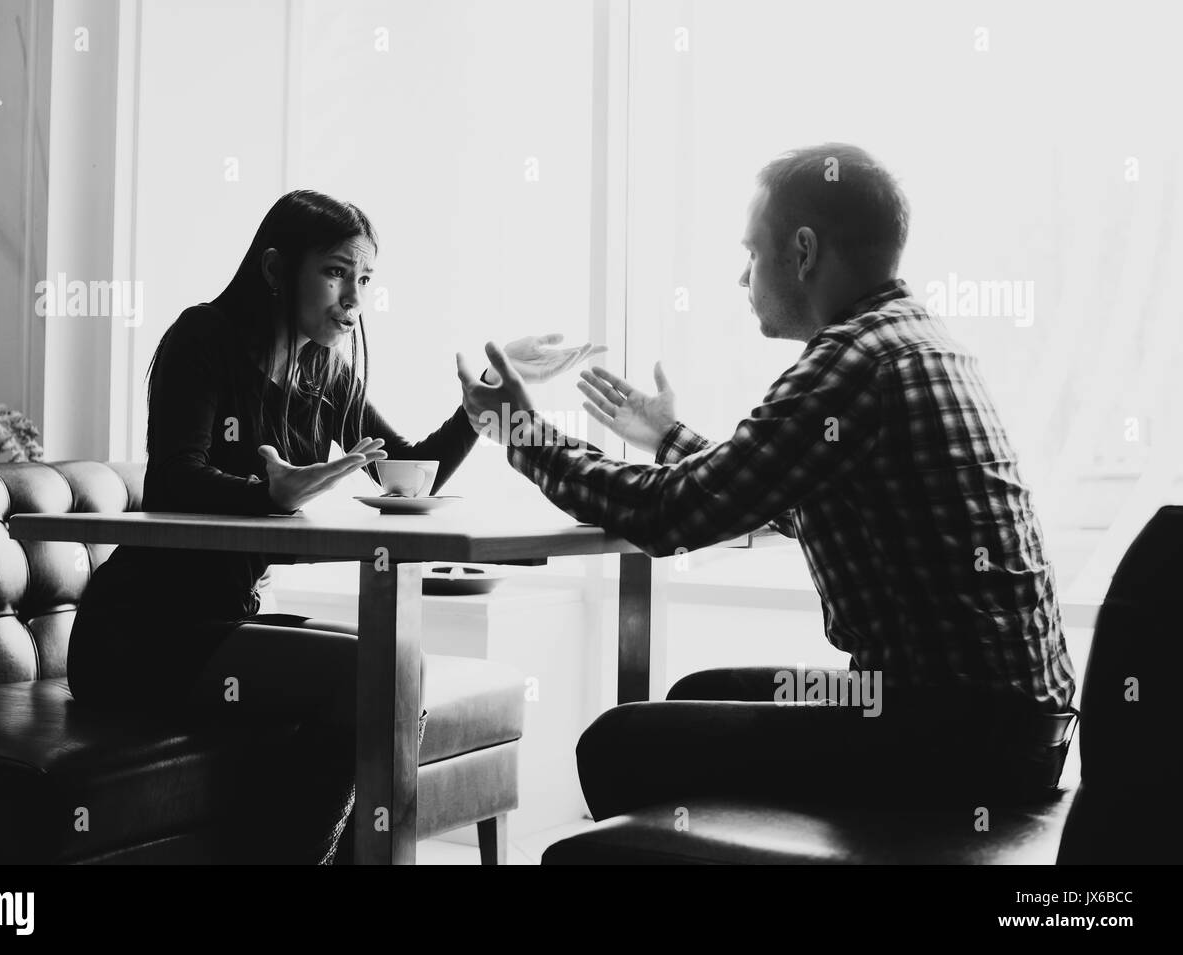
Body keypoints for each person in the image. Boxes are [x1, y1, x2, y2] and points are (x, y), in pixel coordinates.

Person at [457, 144, 1079, 820]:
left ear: (803, 251)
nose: (742, 274)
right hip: (1011, 726)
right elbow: (790, 496)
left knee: (617, 743)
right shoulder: (919, 340)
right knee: (697, 691)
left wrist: (524, 433)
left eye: (751, 253)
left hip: (941, 733)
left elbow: (672, 515)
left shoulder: (850, 363)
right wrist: (667, 439)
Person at [67, 189, 602, 862]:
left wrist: (487, 397)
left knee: (386, 664)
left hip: (222, 621)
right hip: (138, 634)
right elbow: (174, 478)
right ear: (274, 270)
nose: (354, 297)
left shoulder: (326, 375)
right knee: (366, 673)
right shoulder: (201, 339)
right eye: (336, 272)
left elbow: (408, 470)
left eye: (365, 280)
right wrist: (268, 490)